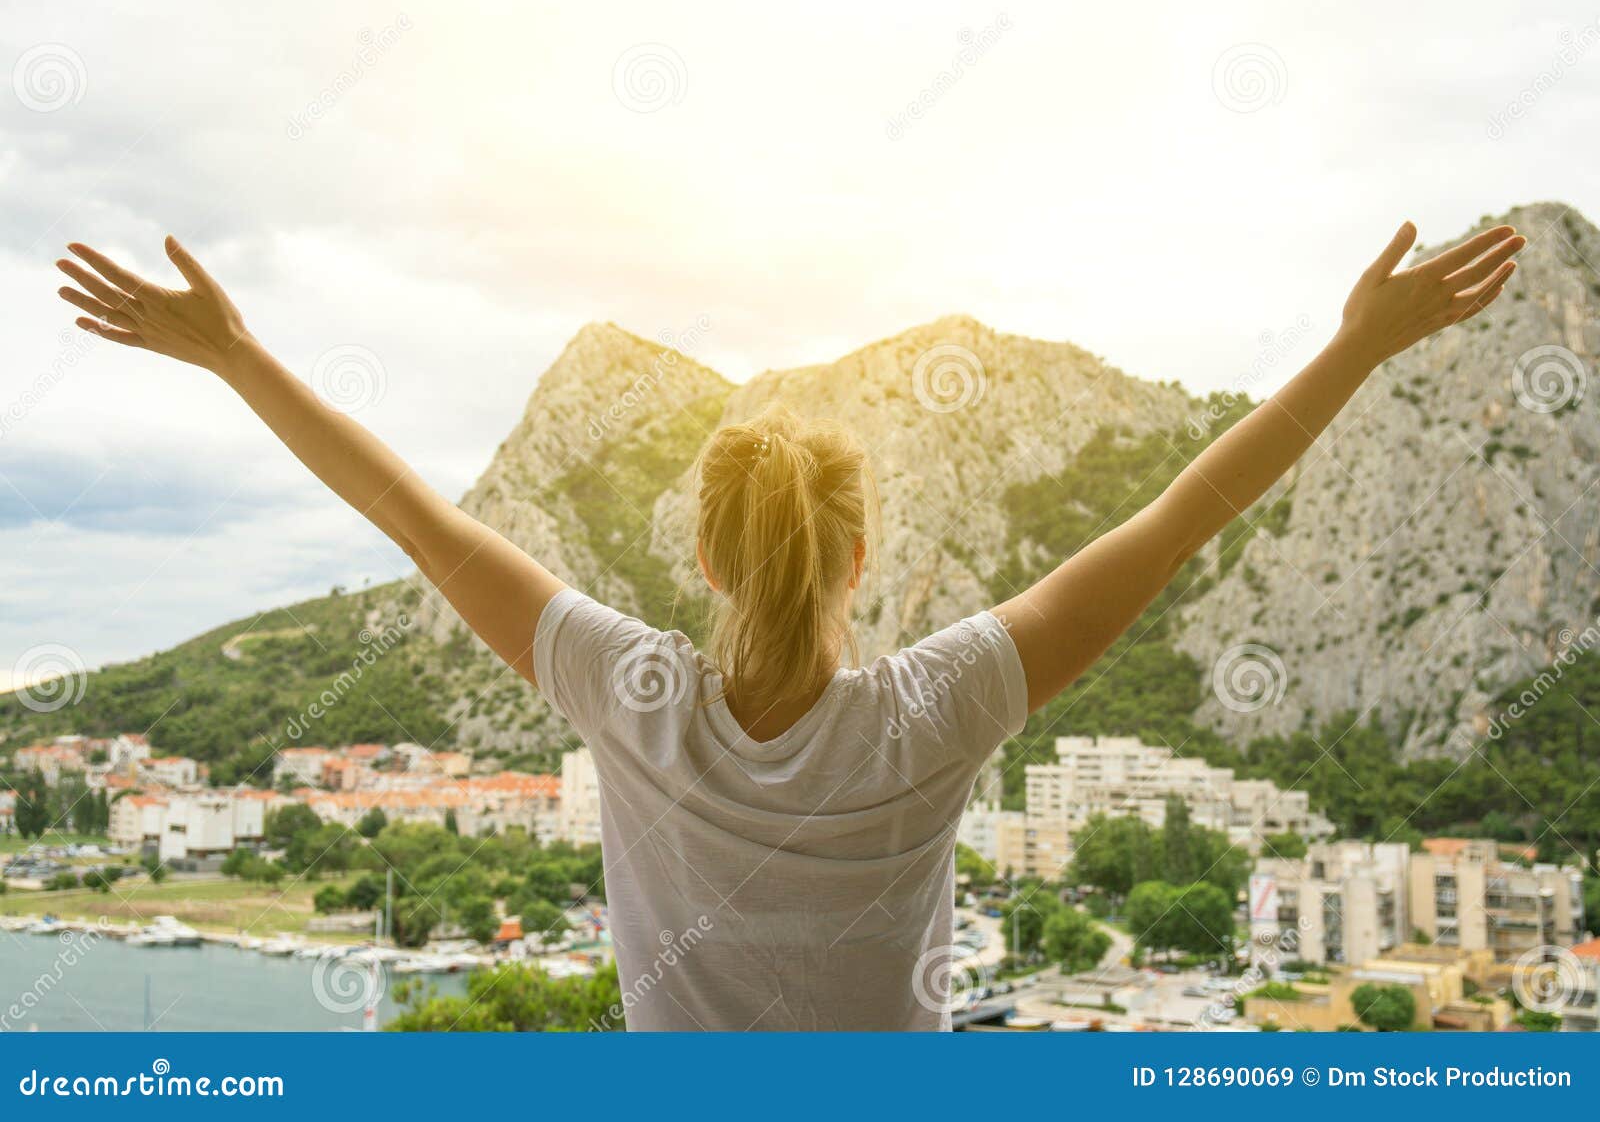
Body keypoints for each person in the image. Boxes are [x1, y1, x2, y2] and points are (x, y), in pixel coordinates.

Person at [55, 219, 1522, 1028]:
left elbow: (415, 518)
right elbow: (1177, 519)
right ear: (864, 558)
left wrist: (239, 356)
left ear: (699, 555)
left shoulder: (625, 692)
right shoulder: (933, 711)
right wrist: (1350, 351)